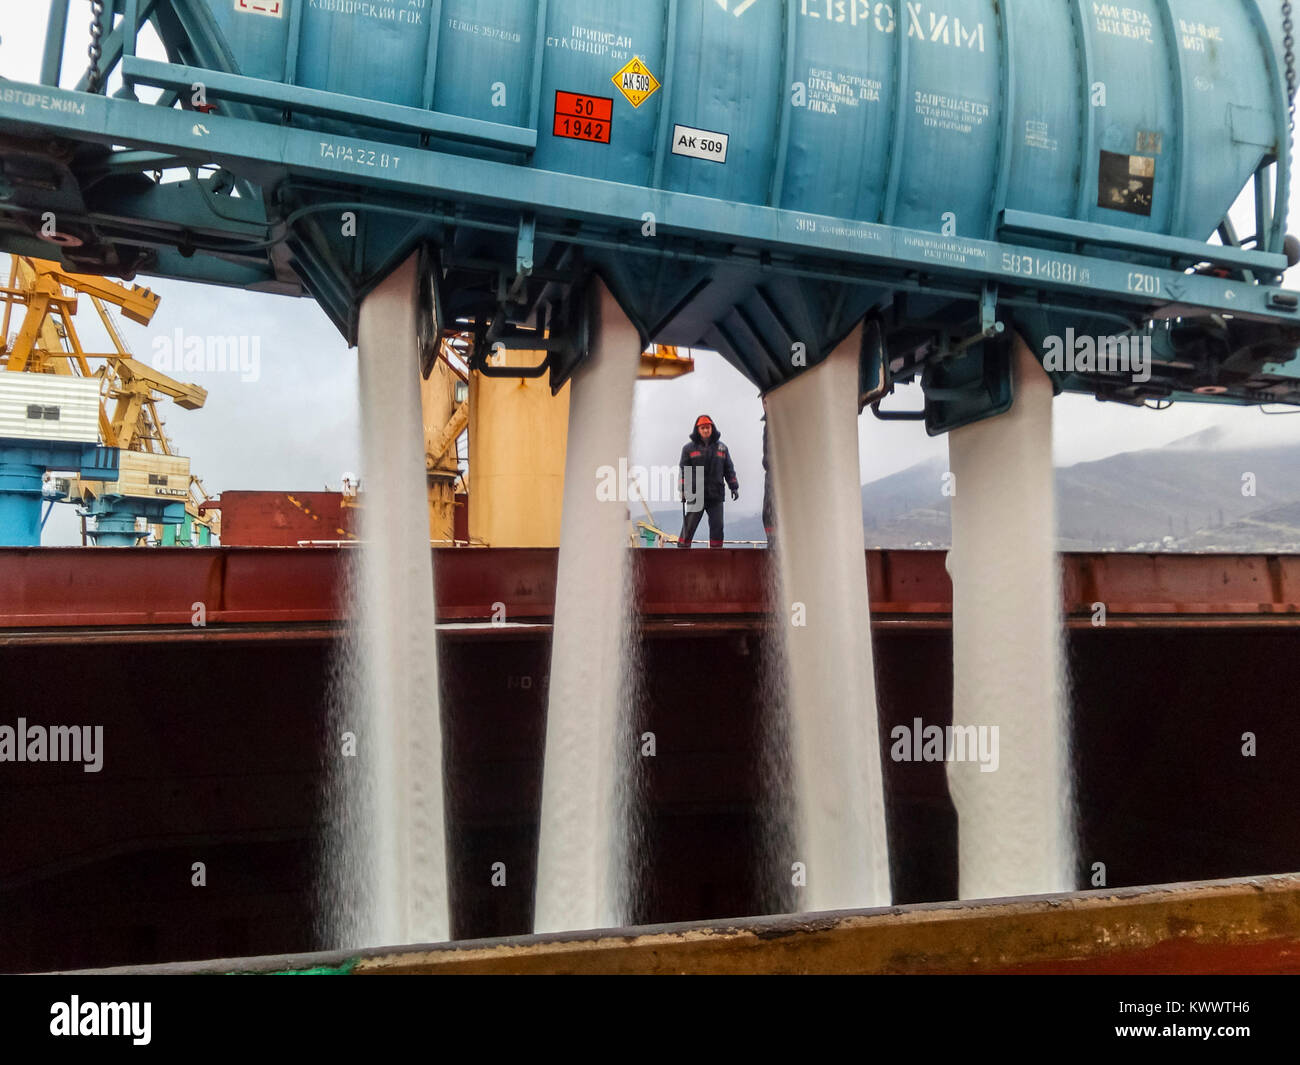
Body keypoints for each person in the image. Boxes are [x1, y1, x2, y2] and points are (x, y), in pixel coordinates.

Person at [677, 414, 738, 548]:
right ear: (698, 430)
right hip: (696, 494)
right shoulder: (688, 449)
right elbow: (683, 471)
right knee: (689, 526)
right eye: (703, 428)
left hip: (715, 494)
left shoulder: (722, 448)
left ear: (712, 428)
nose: (706, 430)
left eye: (708, 427)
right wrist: (682, 490)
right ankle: (681, 551)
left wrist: (734, 486)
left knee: (717, 527)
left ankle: (716, 555)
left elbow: (729, 469)